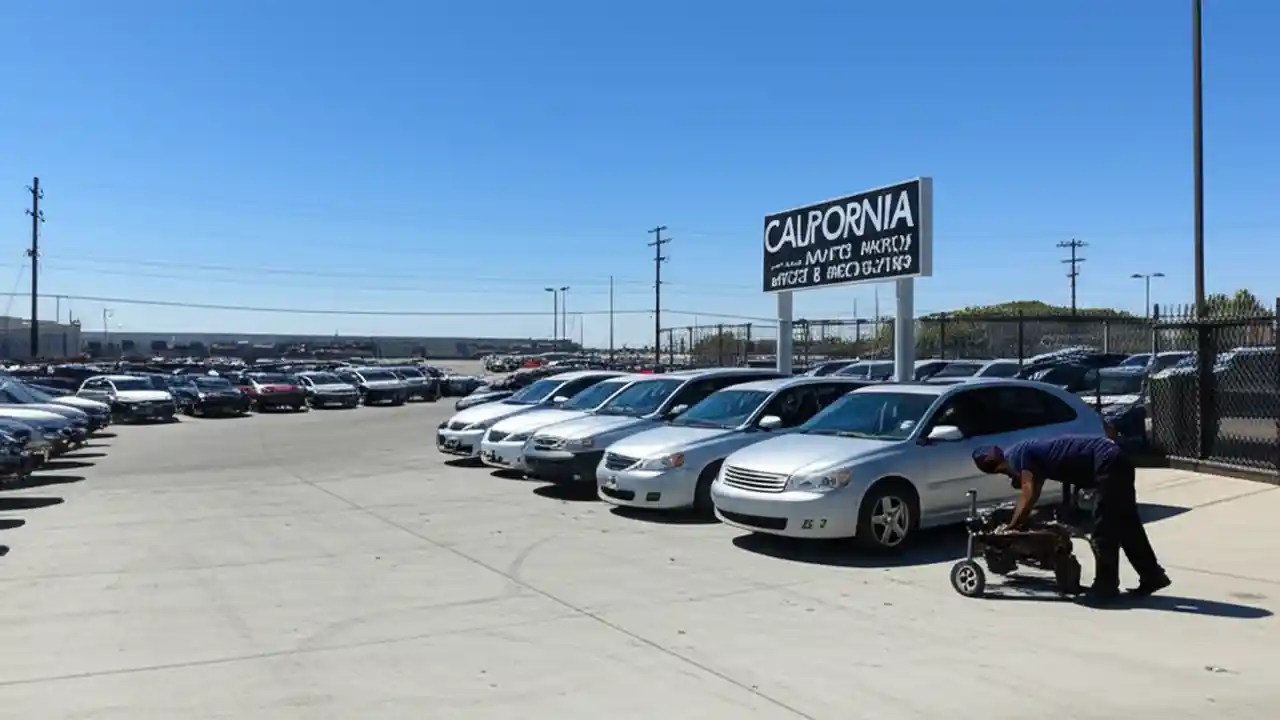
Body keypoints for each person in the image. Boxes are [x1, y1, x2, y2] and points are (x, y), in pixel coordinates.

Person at [972, 435, 1171, 601]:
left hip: (1107, 462)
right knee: (1127, 524)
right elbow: (1032, 491)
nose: (1008, 477)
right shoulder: (1025, 452)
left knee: (1104, 530)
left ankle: (1105, 589)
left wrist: (1012, 526)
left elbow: (1029, 492)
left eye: (1004, 473)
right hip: (1116, 459)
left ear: (997, 465)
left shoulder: (1018, 457)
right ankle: (1152, 576)